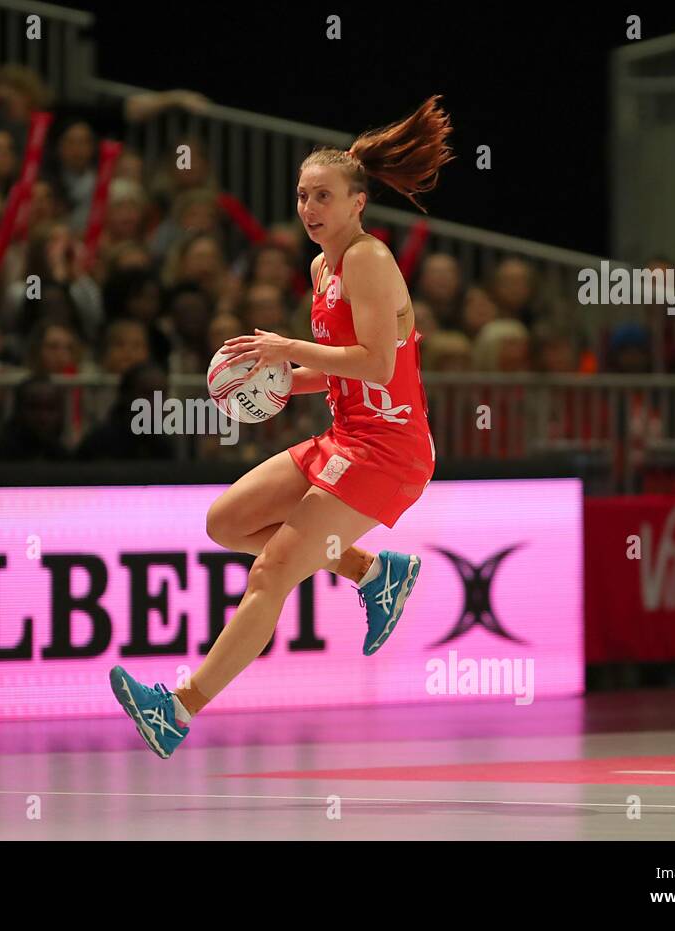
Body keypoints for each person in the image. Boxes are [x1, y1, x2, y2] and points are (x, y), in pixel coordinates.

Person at [109, 97, 453, 758]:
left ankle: (178, 709)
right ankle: (372, 573)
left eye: (323, 196)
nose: (309, 209)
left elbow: (379, 365)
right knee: (226, 521)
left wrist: (285, 348)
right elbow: (344, 370)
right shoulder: (321, 268)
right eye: (301, 196)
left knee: (270, 571)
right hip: (345, 436)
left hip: (388, 450)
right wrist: (268, 384)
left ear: (357, 203)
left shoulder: (368, 261)